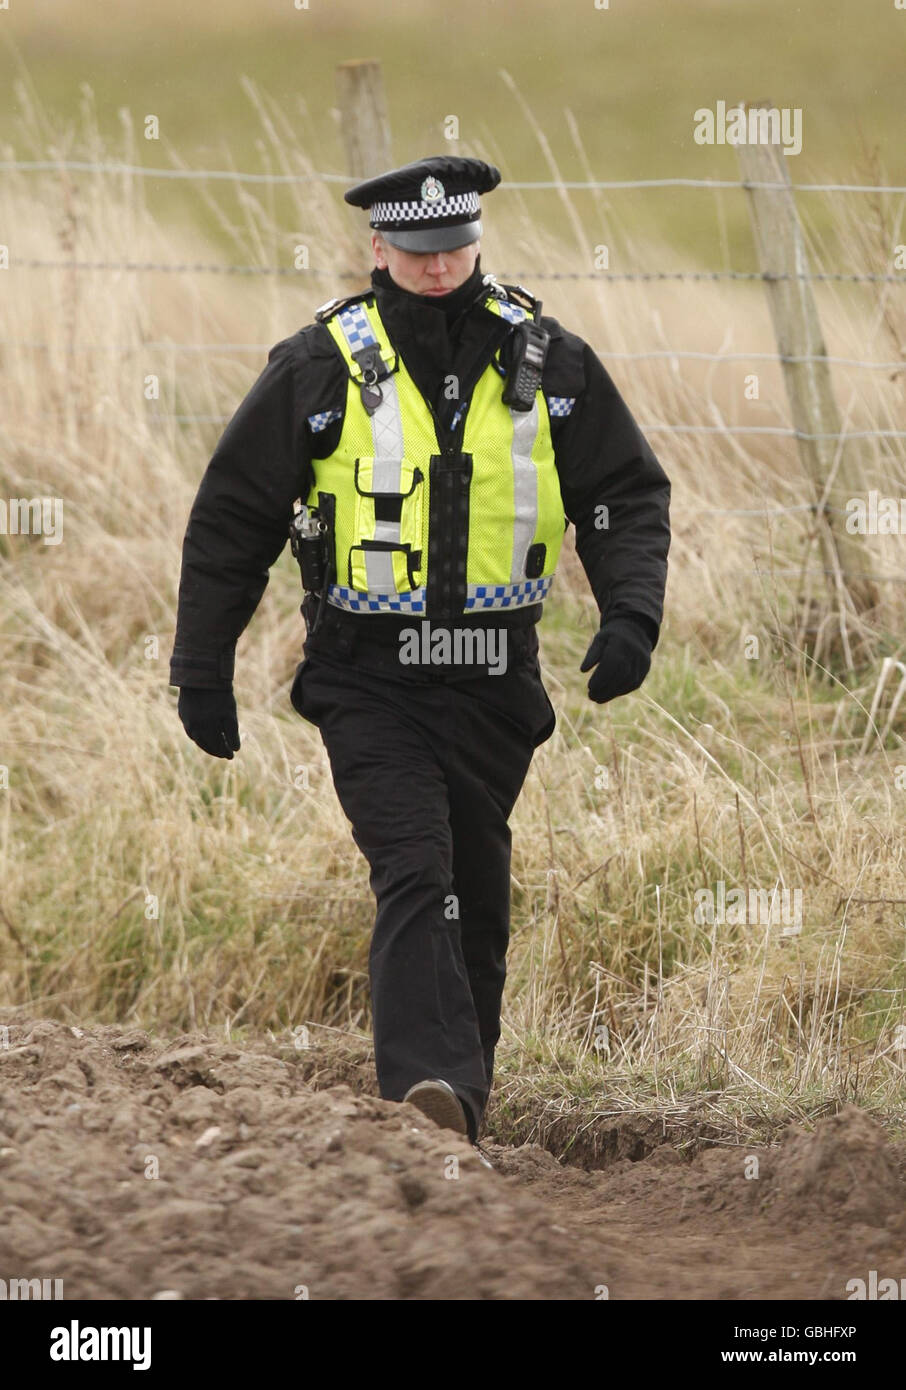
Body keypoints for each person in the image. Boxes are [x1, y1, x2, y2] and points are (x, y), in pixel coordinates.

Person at [171, 155, 670, 1150]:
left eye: (453, 249)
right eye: (415, 250)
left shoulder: (549, 360)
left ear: (475, 243)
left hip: (495, 680)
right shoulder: (318, 364)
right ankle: (426, 1092)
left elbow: (625, 492)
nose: (437, 267)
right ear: (377, 249)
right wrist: (202, 666)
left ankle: (459, 1116)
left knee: (476, 894)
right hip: (368, 675)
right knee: (415, 867)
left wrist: (630, 617)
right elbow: (234, 517)